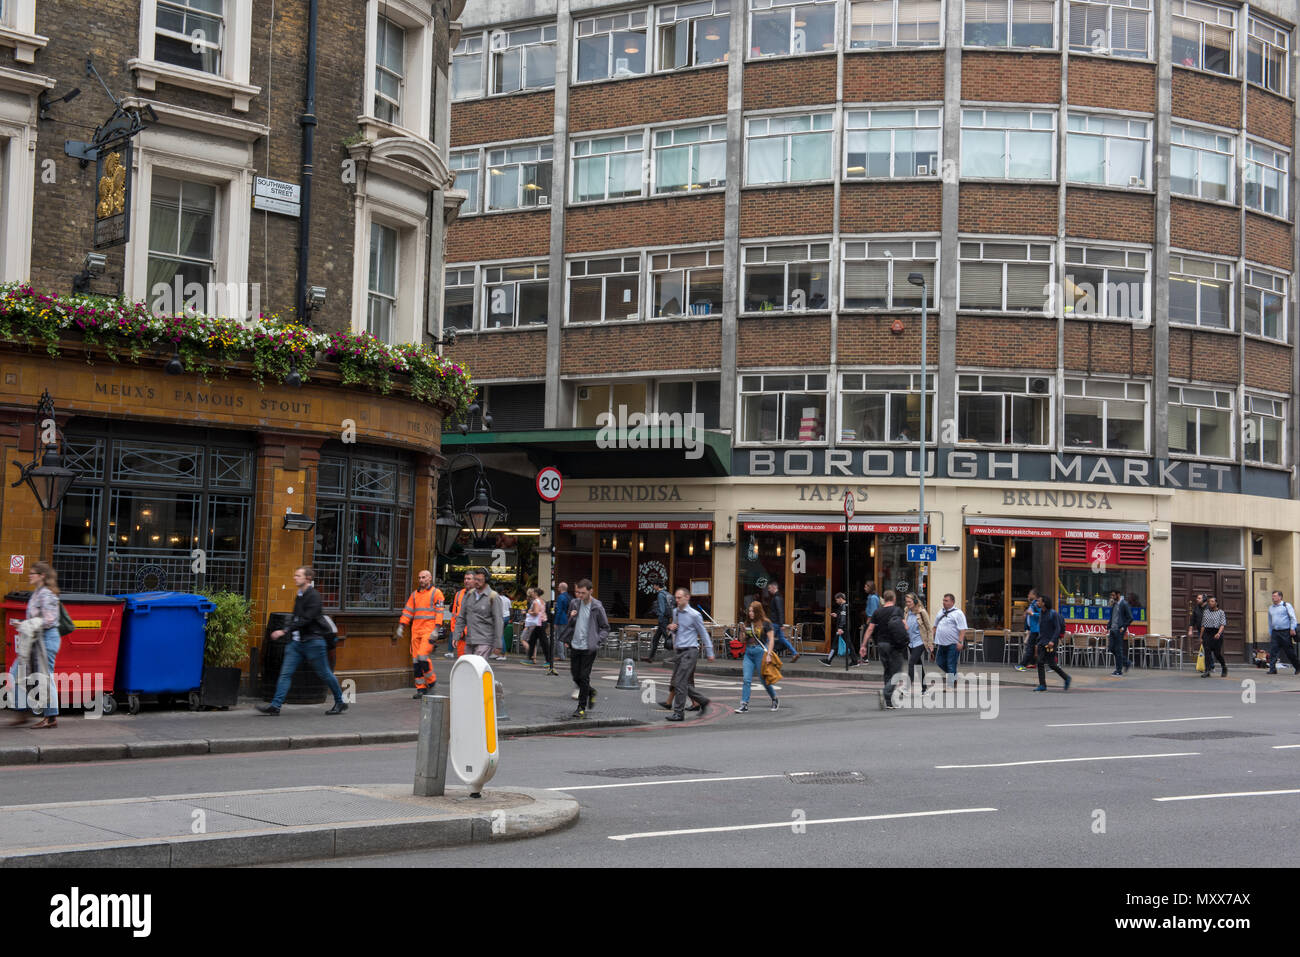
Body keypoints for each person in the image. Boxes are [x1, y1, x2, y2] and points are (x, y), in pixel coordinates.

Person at [258, 567, 348, 716]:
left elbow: (307, 619)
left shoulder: (314, 596)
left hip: (313, 642)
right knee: (285, 673)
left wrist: (284, 630)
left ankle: (340, 701)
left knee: (324, 673)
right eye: (294, 575)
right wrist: (290, 632)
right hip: (296, 644)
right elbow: (296, 617)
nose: (294, 577)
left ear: (307, 579)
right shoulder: (299, 595)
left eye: (298, 575)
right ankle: (275, 705)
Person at [16, 562, 62, 728]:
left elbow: (50, 619)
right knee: (20, 672)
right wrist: (24, 624)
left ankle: (50, 717)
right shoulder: (37, 593)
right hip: (37, 638)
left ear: (42, 576)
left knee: (46, 676)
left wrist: (29, 624)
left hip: (47, 639)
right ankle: (22, 711)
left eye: (32, 573)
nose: (29, 575)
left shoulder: (46, 594)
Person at [559, 579, 608, 718]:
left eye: (583, 593)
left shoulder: (597, 607)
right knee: (575, 675)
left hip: (589, 647)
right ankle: (590, 691)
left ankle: (581, 707)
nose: (580, 595)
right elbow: (571, 622)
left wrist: (597, 640)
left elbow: (605, 627)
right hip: (575, 644)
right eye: (578, 592)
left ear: (590, 591)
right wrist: (571, 617)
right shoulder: (574, 603)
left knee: (584, 676)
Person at [665, 587, 714, 721]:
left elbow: (703, 633)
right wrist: (671, 628)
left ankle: (679, 713)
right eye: (676, 597)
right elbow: (676, 631)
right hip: (679, 651)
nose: (677, 600)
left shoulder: (694, 615)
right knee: (678, 682)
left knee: (680, 682)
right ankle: (702, 701)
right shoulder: (675, 612)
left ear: (687, 598)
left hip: (690, 651)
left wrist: (710, 651)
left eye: (679, 597)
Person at [395, 569, 444, 698]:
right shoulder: (414, 595)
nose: (421, 580)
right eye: (419, 577)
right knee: (416, 661)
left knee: (422, 657)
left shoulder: (436, 593)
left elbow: (439, 612)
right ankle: (421, 688)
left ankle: (432, 683)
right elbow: (408, 611)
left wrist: (436, 629)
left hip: (428, 631)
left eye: (424, 577)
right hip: (416, 631)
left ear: (430, 579)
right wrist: (401, 625)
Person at [862, 589, 907, 708]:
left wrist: (863, 645)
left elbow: (870, 629)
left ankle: (888, 702)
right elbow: (905, 626)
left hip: (881, 645)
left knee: (887, 671)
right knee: (896, 672)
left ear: (884, 599)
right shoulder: (897, 610)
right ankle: (885, 692)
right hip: (894, 645)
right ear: (894, 599)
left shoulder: (877, 612)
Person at [451, 567, 505, 659]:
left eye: (479, 580)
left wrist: (498, 644)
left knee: (477, 666)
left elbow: (498, 622)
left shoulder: (493, 597)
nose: (476, 582)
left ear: (486, 580)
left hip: (485, 641)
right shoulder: (469, 595)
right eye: (475, 579)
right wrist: (456, 636)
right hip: (470, 640)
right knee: (469, 667)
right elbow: (461, 617)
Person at [736, 601, 779, 713]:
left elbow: (771, 640)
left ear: (758, 611)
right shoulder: (747, 623)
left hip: (760, 652)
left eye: (753, 611)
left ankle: (774, 698)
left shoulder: (766, 623)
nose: (750, 613)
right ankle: (744, 704)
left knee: (764, 680)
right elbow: (742, 640)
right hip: (749, 652)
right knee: (746, 679)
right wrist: (742, 632)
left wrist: (769, 654)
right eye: (749, 611)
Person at [1032, 595, 1071, 692]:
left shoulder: (1053, 614)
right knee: (1040, 662)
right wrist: (1038, 641)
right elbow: (1042, 629)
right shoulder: (1041, 612)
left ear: (1044, 603)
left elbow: (1057, 629)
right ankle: (1042, 685)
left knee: (1052, 664)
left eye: (1039, 601)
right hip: (1042, 641)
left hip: (1051, 643)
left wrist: (1052, 641)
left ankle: (1066, 678)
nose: (1037, 603)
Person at [932, 593, 967, 688]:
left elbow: (962, 629)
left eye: (946, 600)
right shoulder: (941, 612)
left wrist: (960, 642)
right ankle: (953, 677)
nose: (944, 602)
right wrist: (932, 640)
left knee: (951, 664)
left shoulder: (958, 613)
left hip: (953, 643)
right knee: (939, 662)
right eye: (943, 600)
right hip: (941, 643)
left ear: (952, 602)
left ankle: (950, 685)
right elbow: (935, 626)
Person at [903, 592, 933, 692]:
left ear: (915, 601)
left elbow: (929, 628)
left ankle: (907, 688)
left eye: (909, 601)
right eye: (906, 602)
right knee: (918, 665)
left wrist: (930, 643)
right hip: (910, 643)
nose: (907, 603)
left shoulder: (921, 612)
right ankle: (924, 688)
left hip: (920, 642)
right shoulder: (906, 611)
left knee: (911, 663)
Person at [521, 587, 555, 673]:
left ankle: (548, 661)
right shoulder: (542, 600)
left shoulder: (536, 601)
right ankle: (531, 658)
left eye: (533, 592)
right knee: (533, 640)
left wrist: (528, 612)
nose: (532, 593)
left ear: (535, 593)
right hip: (542, 622)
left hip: (538, 623)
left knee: (543, 642)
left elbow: (536, 612)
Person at [1265, 590, 1300, 675]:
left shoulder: (1286, 606)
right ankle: (1272, 669)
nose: (1273, 598)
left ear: (1280, 597)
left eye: (1275, 596)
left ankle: (1298, 667)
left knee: (1289, 652)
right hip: (1275, 632)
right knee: (1273, 651)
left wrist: (1292, 628)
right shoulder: (1271, 608)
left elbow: (1293, 618)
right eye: (1272, 596)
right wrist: (1271, 632)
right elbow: (1270, 621)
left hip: (1285, 632)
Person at [821, 592, 856, 668]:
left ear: (840, 598)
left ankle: (854, 661)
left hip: (843, 629)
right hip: (844, 628)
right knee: (838, 644)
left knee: (847, 644)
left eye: (836, 599)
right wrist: (837, 615)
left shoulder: (843, 606)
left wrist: (840, 628)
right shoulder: (845, 606)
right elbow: (843, 616)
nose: (836, 601)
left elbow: (843, 619)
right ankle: (829, 660)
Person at [765, 581, 798, 660]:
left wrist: (781, 624)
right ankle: (795, 653)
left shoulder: (776, 598)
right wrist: (781, 624)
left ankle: (766, 655)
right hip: (777, 623)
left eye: (769, 588)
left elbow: (780, 611)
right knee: (782, 639)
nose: (769, 590)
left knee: (768, 639)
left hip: (775, 623)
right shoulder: (778, 597)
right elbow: (780, 611)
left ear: (774, 587)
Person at [446, 571, 474, 658]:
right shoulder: (458, 594)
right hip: (462, 637)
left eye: (469, 579)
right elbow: (454, 615)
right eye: (465, 579)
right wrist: (455, 633)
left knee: (475, 665)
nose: (466, 581)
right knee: (462, 663)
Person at [1106, 589, 1133, 677]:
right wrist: (1108, 626)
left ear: (1118, 595)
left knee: (1118, 650)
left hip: (1119, 630)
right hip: (1112, 629)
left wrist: (1123, 627)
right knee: (1111, 648)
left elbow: (1130, 618)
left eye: (1113, 595)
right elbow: (1113, 617)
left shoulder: (1124, 604)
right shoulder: (1114, 604)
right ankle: (1126, 662)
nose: (1112, 597)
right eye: (1111, 595)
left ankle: (1119, 670)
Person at [1199, 596, 1227, 678]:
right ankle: (1207, 670)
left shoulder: (1221, 612)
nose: (1210, 603)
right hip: (1207, 633)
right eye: (1209, 601)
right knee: (1207, 652)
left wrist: (1219, 633)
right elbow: (1203, 625)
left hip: (1216, 633)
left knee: (1217, 653)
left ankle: (1224, 667)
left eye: (1212, 601)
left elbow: (1222, 624)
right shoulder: (1206, 612)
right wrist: (1200, 637)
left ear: (1216, 603)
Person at [1014, 588, 1040, 672]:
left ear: (1034, 595)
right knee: (1032, 648)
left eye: (1029, 594)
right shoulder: (1032, 604)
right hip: (1033, 629)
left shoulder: (1036, 604)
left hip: (1036, 630)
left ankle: (1022, 665)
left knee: (1030, 647)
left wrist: (1031, 613)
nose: (1028, 595)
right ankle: (1032, 663)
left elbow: (1042, 614)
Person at [645, 583, 672, 663]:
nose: (653, 586)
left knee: (668, 639)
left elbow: (662, 608)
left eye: (654, 585)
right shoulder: (667, 593)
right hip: (666, 618)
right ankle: (651, 657)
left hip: (662, 619)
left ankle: (680, 653)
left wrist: (660, 619)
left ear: (657, 585)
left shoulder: (660, 595)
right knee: (656, 638)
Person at [859, 580, 881, 663]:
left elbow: (874, 611)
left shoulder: (873, 598)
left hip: (872, 621)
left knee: (866, 637)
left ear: (870, 587)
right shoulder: (871, 597)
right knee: (876, 640)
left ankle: (864, 658)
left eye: (866, 586)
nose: (864, 588)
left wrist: (869, 620)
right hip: (873, 621)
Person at [553, 582, 571, 661]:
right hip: (567, 619)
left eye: (558, 587)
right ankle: (564, 655)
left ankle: (561, 656)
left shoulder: (560, 597)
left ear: (561, 588)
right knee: (564, 637)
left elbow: (559, 610)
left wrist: (556, 622)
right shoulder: (569, 597)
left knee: (559, 638)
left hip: (561, 619)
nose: (557, 588)